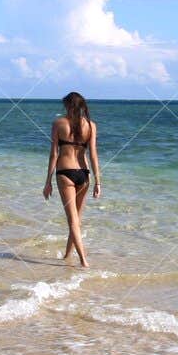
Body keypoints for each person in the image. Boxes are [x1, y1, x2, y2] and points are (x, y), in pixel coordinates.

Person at [42, 91, 100, 267]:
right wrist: (98, 181)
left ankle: (83, 261)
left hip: (65, 172)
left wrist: (48, 181)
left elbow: (54, 154)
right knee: (76, 220)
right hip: (84, 174)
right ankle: (68, 256)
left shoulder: (58, 123)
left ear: (67, 105)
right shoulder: (91, 125)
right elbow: (93, 155)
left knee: (72, 221)